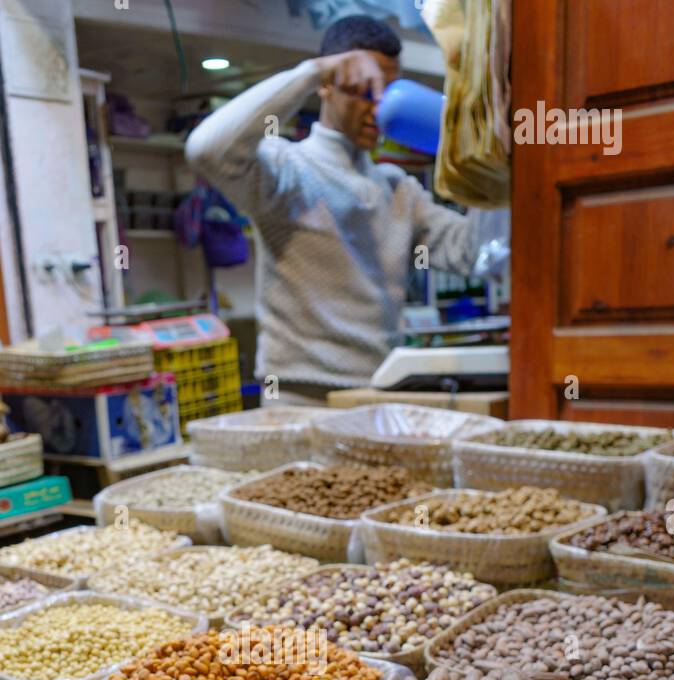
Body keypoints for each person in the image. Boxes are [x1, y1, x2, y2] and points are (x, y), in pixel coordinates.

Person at [186, 14, 488, 403]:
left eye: (388, 91)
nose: (377, 107)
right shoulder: (286, 171)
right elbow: (205, 149)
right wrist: (312, 71)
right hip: (299, 398)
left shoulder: (399, 190)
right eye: (365, 89)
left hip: (379, 391)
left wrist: (490, 168)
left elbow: (476, 253)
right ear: (328, 86)